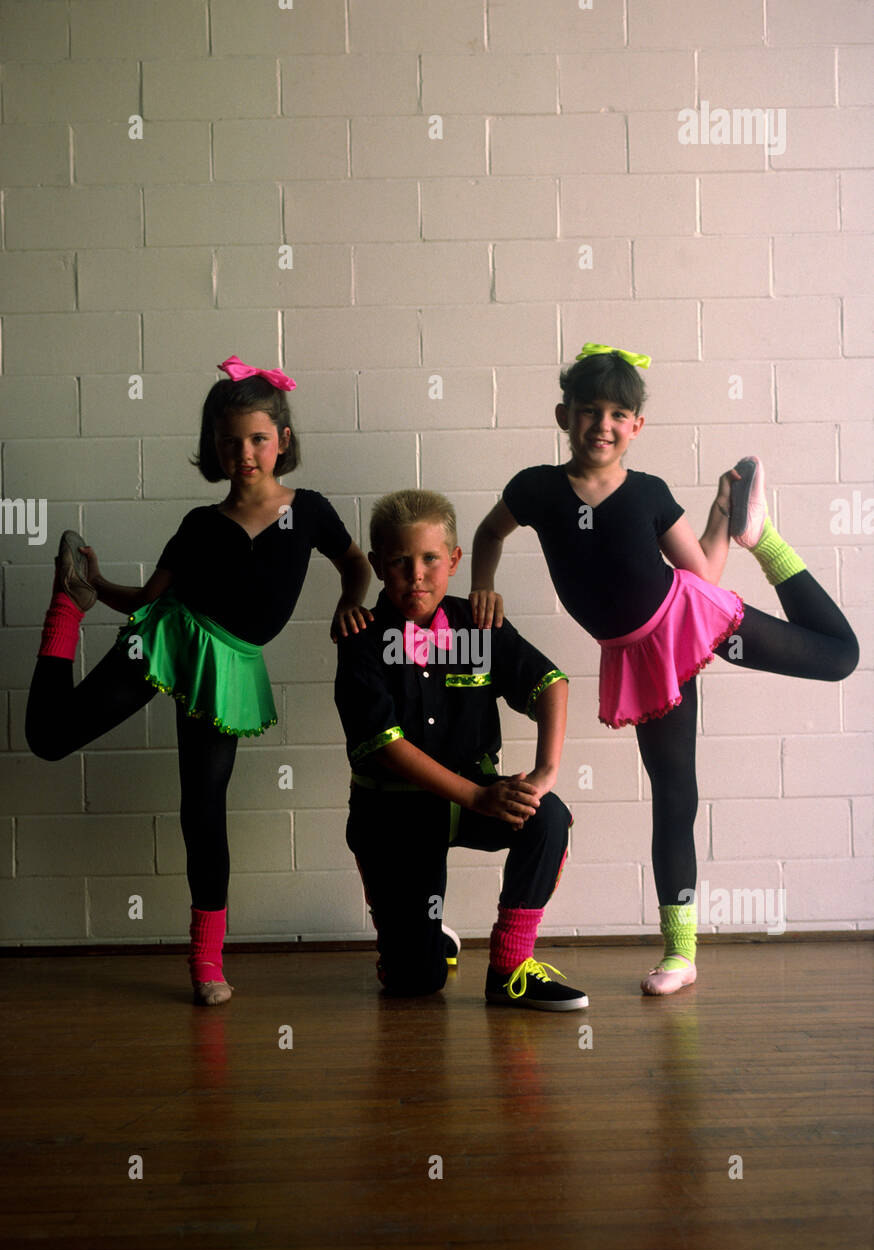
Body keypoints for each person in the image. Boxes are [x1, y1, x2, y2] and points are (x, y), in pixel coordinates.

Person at [470, 344, 859, 996]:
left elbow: (701, 572)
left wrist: (720, 522)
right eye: (590, 410)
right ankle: (681, 954)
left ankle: (760, 537)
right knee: (675, 793)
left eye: (619, 413)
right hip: (638, 654)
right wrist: (484, 587)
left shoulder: (647, 493)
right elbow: (487, 534)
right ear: (564, 414)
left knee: (839, 656)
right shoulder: (535, 488)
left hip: (690, 618)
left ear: (637, 427)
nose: (603, 424)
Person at [26, 356, 372, 1006]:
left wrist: (348, 601)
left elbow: (356, 564)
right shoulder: (198, 527)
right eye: (230, 441)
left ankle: (207, 963)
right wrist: (95, 589)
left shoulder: (311, 511)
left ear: (283, 441)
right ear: (213, 448)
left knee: (202, 807)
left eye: (258, 438)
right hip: (168, 637)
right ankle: (64, 609)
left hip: (231, 668)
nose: (245, 452)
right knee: (49, 738)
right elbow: (147, 599)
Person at [334, 488, 587, 1010]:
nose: (417, 575)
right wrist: (478, 798)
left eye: (430, 559)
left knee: (546, 816)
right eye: (401, 562)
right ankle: (421, 941)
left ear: (454, 560)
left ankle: (510, 968)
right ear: (379, 565)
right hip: (393, 815)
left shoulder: (478, 623)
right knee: (414, 983)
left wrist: (545, 772)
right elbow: (387, 748)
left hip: (475, 798)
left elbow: (550, 684)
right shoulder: (360, 637)